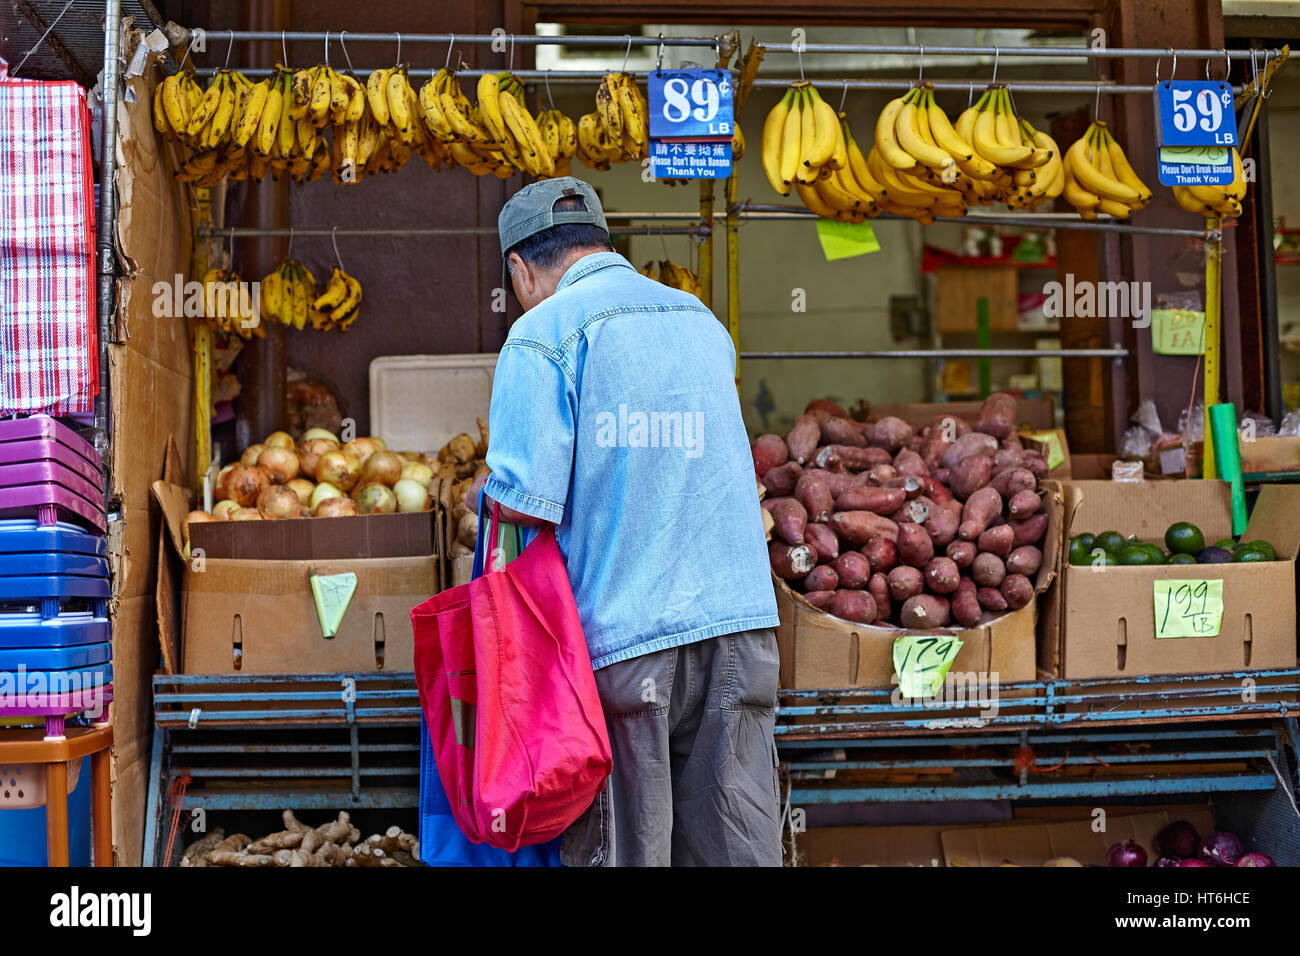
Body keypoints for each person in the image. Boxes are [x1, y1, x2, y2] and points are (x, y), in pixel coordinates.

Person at [465, 176, 782, 867]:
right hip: (742, 632)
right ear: (605, 245)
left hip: (628, 640)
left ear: (519, 268)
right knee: (735, 844)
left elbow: (526, 498)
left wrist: (477, 496)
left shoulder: (541, 333)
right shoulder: (702, 321)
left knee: (629, 852)